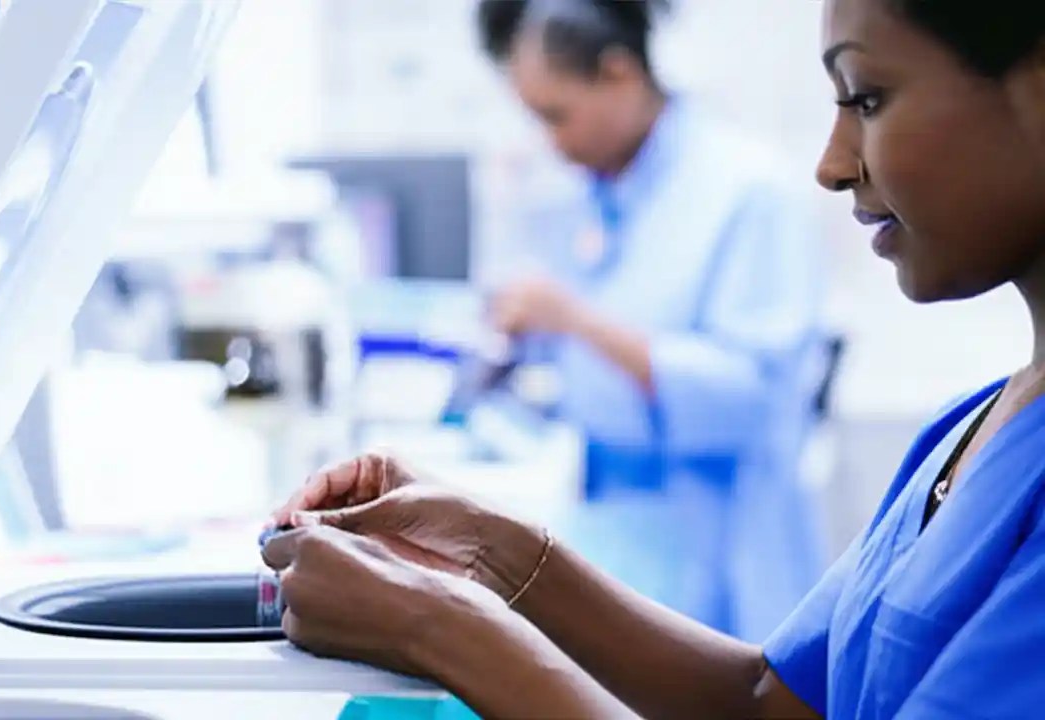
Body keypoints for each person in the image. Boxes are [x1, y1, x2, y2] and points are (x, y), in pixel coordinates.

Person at [262, 0, 1045, 717]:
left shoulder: (743, 191)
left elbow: (747, 397)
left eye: (868, 98)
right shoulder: (969, 429)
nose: (833, 164)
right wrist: (489, 546)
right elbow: (768, 701)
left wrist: (437, 628)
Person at [475, 0, 826, 642]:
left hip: (722, 557)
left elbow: (749, 398)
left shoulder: (748, 191)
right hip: (618, 538)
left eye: (558, 116)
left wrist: (576, 321)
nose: (553, 143)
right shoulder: (600, 193)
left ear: (619, 75)